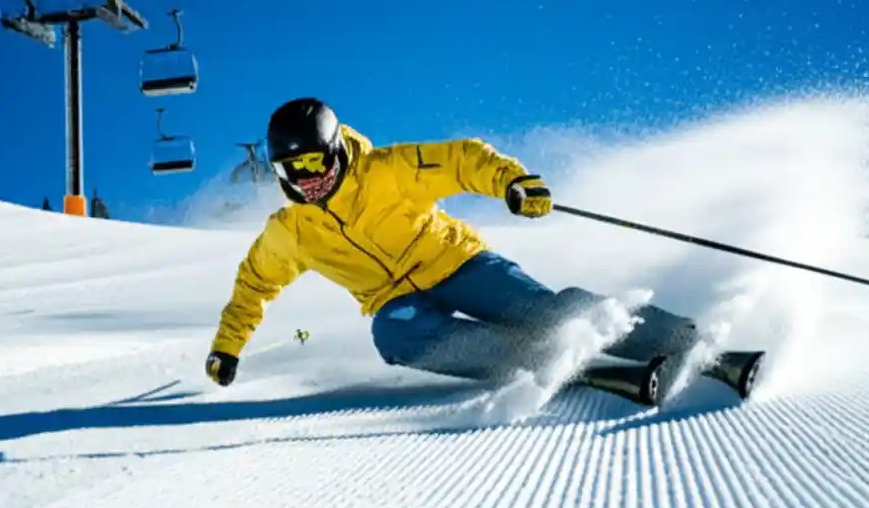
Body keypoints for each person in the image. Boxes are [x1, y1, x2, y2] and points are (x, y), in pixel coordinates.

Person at [205, 97, 699, 388]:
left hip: (458, 264)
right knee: (393, 336)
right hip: (397, 300)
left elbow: (463, 159)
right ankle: (531, 356)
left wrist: (512, 181)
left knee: (542, 311)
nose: (307, 179)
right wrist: (228, 348)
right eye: (292, 170)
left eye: (315, 163)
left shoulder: (387, 171)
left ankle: (679, 338)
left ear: (336, 151)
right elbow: (253, 286)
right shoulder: (290, 231)